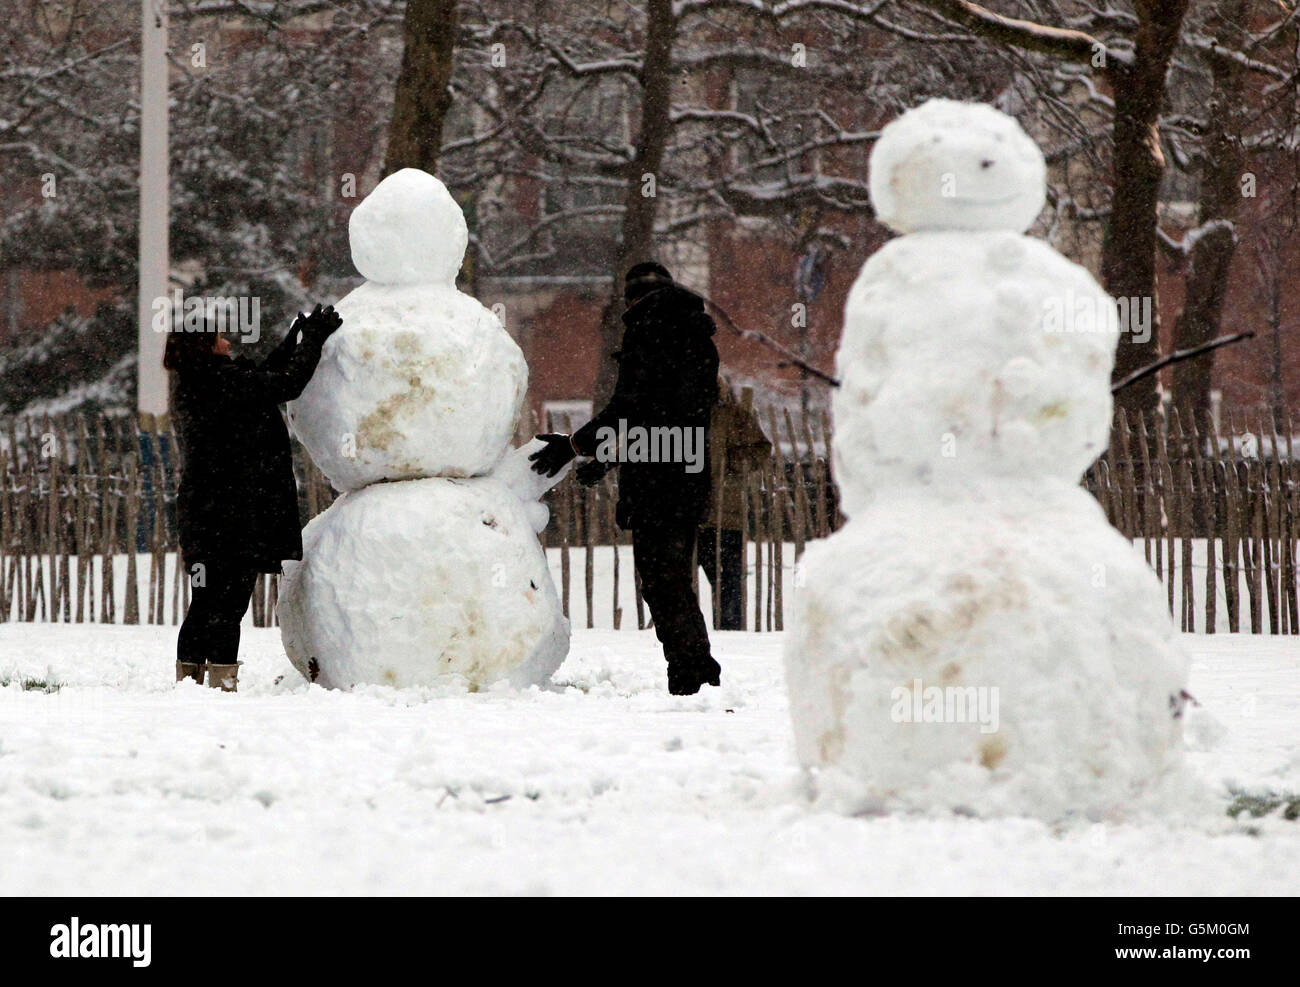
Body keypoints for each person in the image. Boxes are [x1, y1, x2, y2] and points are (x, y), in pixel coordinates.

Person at [530, 262, 721, 695]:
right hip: (687, 470)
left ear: (632, 297)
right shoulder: (697, 334)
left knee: (661, 581)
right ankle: (697, 668)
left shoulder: (648, 329)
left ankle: (692, 673)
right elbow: (668, 418)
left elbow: (630, 407)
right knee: (673, 578)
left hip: (657, 483)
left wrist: (576, 445)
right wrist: (610, 455)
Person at [167, 304, 342, 691]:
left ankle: (191, 684)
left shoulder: (201, 381)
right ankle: (219, 685)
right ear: (204, 348)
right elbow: (285, 384)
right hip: (233, 514)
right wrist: (312, 341)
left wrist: (294, 337)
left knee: (207, 603)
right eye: (218, 339)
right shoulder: (220, 382)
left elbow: (264, 376)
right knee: (227, 606)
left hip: (207, 512)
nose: (227, 341)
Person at [698, 374, 771, 630]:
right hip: (687, 517)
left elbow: (760, 449)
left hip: (726, 516)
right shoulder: (677, 416)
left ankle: (730, 638)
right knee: (676, 588)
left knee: (729, 587)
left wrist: (735, 462)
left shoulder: (735, 416)